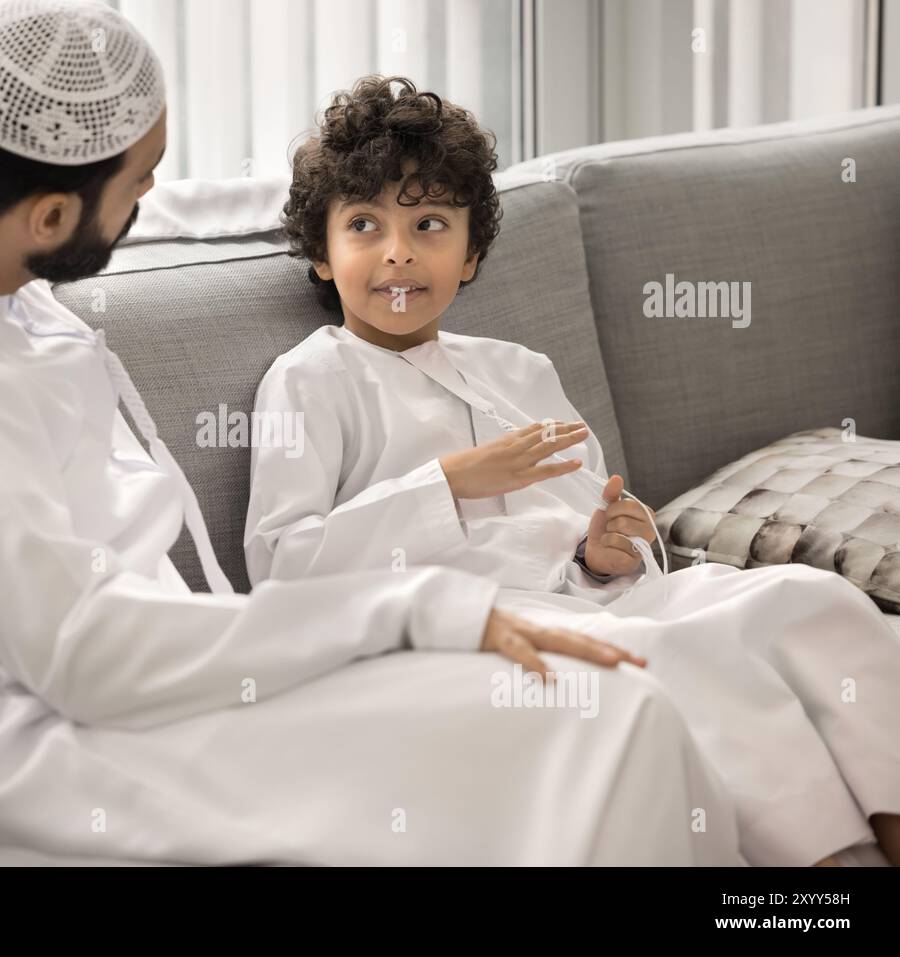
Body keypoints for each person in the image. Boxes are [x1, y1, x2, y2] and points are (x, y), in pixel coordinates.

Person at [0, 0, 743, 865]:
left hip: (160, 678)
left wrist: (352, 216)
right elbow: (89, 656)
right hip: (48, 744)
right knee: (603, 723)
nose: (148, 208)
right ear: (50, 214)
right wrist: (413, 610)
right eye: (138, 187)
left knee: (609, 704)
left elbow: (203, 209)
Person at [244, 73, 900, 867]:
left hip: (603, 605)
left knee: (813, 599)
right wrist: (449, 484)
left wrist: (603, 555)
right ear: (321, 252)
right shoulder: (310, 380)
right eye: (363, 225)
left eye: (428, 223)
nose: (398, 252)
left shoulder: (520, 370)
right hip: (469, 630)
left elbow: (595, 535)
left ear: (472, 252)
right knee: (687, 661)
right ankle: (827, 869)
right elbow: (281, 566)